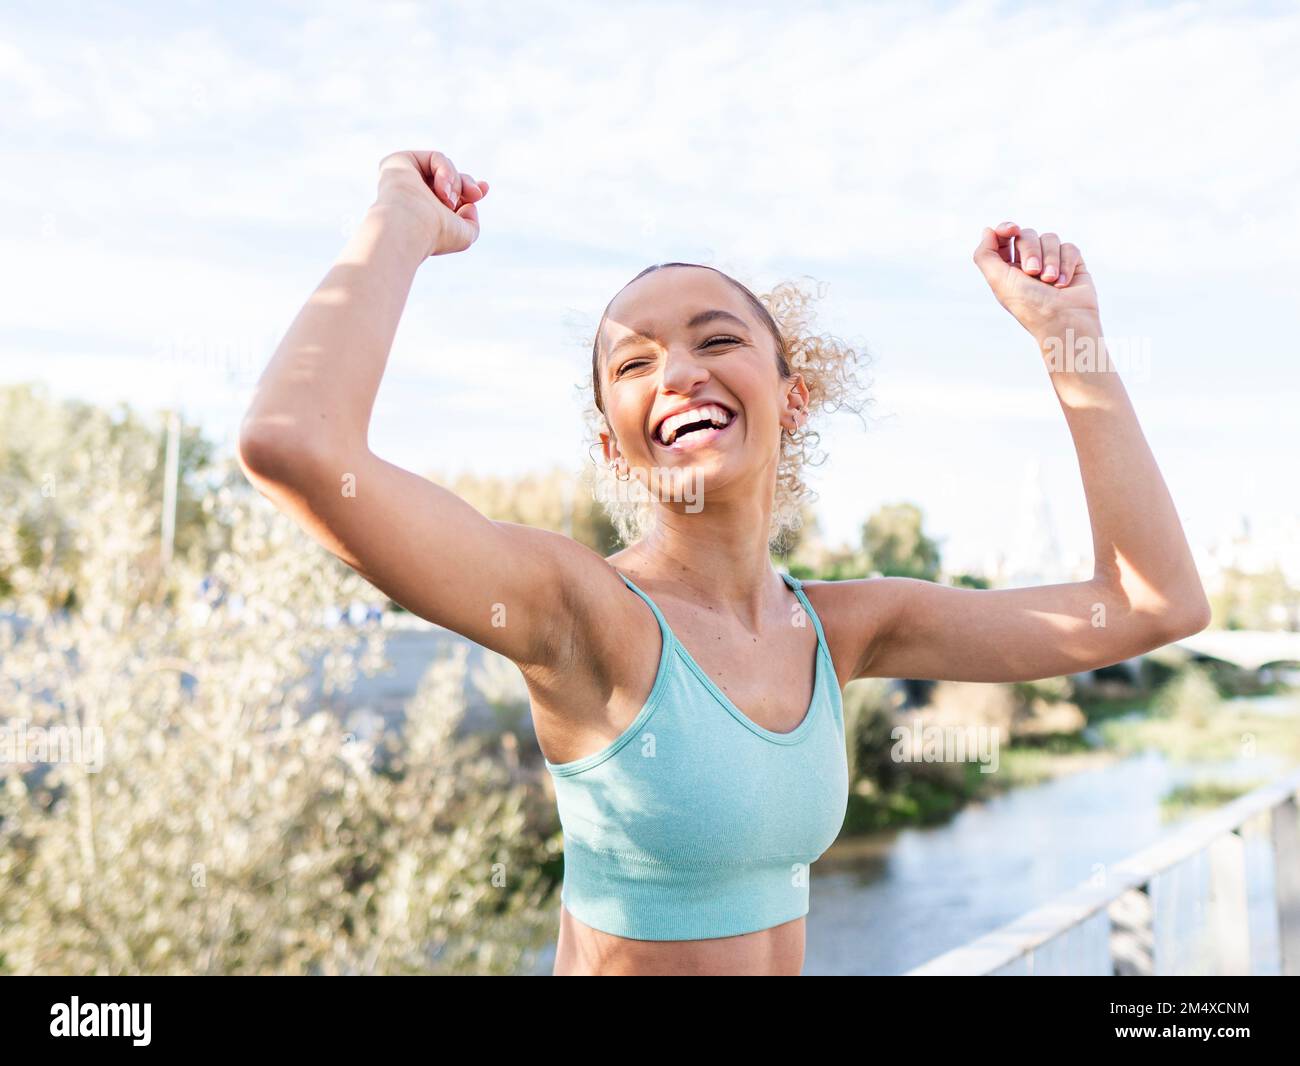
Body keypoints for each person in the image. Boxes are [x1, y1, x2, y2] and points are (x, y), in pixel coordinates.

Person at [237, 149, 1212, 976]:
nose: (677, 370)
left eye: (716, 338)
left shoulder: (841, 627)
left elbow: (1147, 605)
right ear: (615, 443)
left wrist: (1066, 339)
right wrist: (400, 221)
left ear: (792, 395)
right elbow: (297, 447)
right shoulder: (579, 611)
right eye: (632, 363)